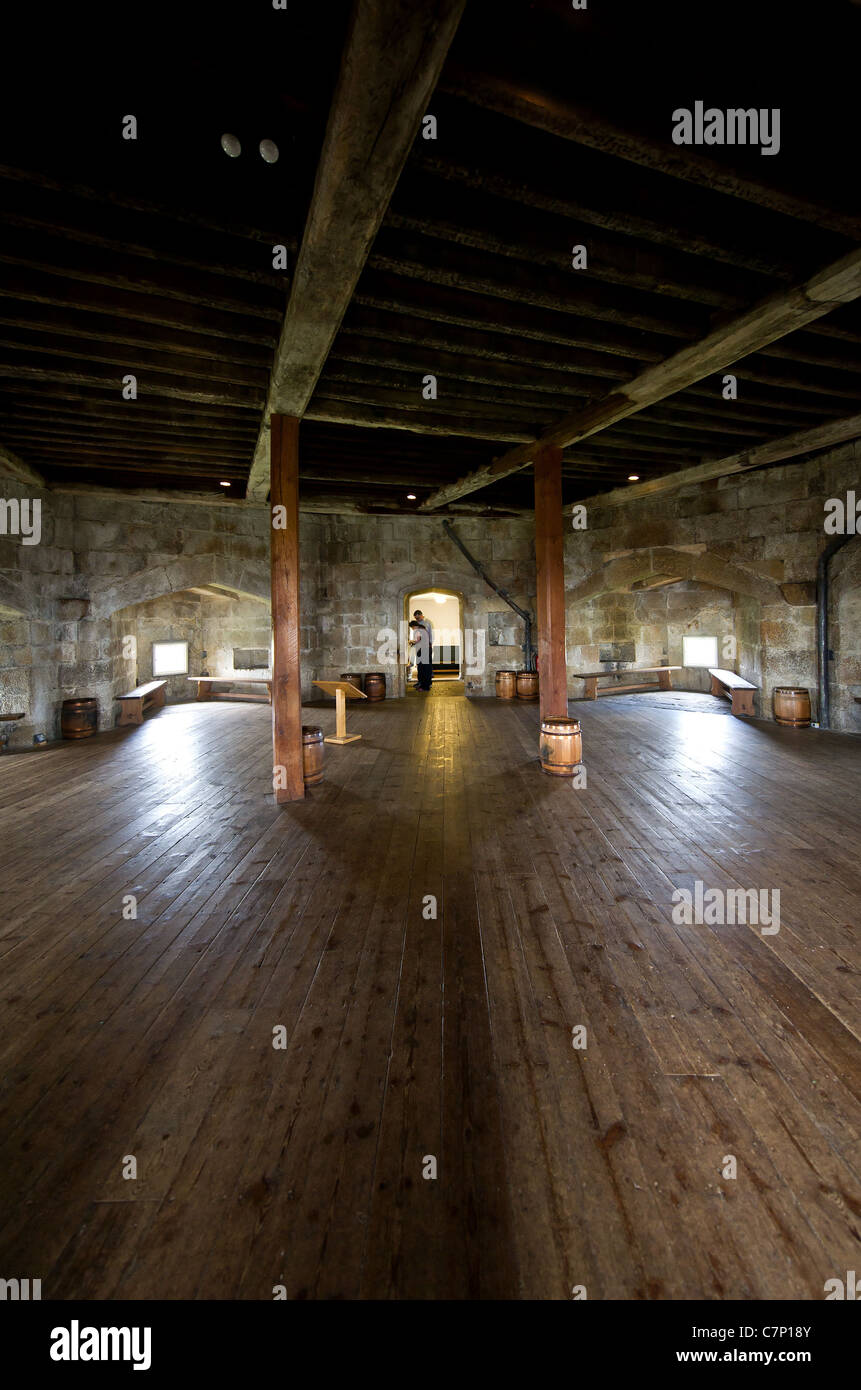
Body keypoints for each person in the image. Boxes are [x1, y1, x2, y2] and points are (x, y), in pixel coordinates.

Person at [409, 619, 433, 692]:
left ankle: (424, 687)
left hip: (422, 650)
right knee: (427, 668)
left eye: (412, 628)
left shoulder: (418, 630)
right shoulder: (423, 628)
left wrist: (411, 642)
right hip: (427, 649)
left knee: (423, 669)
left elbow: (418, 640)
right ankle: (427, 685)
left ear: (414, 626)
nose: (412, 629)